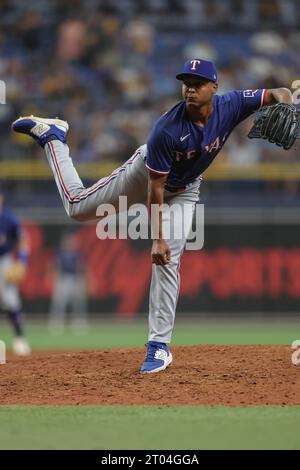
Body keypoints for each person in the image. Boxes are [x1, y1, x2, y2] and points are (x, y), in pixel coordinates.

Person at [12, 59, 293, 372]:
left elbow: (278, 92)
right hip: (145, 177)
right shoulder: (167, 129)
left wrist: (289, 103)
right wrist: (157, 239)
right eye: (186, 81)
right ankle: (53, 137)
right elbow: (155, 192)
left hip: (186, 189)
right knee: (76, 207)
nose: (190, 88)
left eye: (198, 82)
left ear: (214, 87)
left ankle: (158, 347)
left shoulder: (232, 104)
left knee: (170, 259)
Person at [0, 191, 31, 356]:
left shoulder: (9, 218)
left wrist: (22, 261)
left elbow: (23, 241)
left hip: (3, 261)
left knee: (11, 301)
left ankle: (20, 338)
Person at [48, 232, 88, 332]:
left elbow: (82, 266)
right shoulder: (59, 252)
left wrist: (83, 279)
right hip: (63, 278)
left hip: (75, 278)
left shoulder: (78, 252)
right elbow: (54, 265)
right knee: (59, 302)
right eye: (68, 240)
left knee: (78, 302)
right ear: (64, 241)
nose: (70, 242)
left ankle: (79, 323)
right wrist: (53, 277)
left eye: (72, 240)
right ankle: (56, 324)